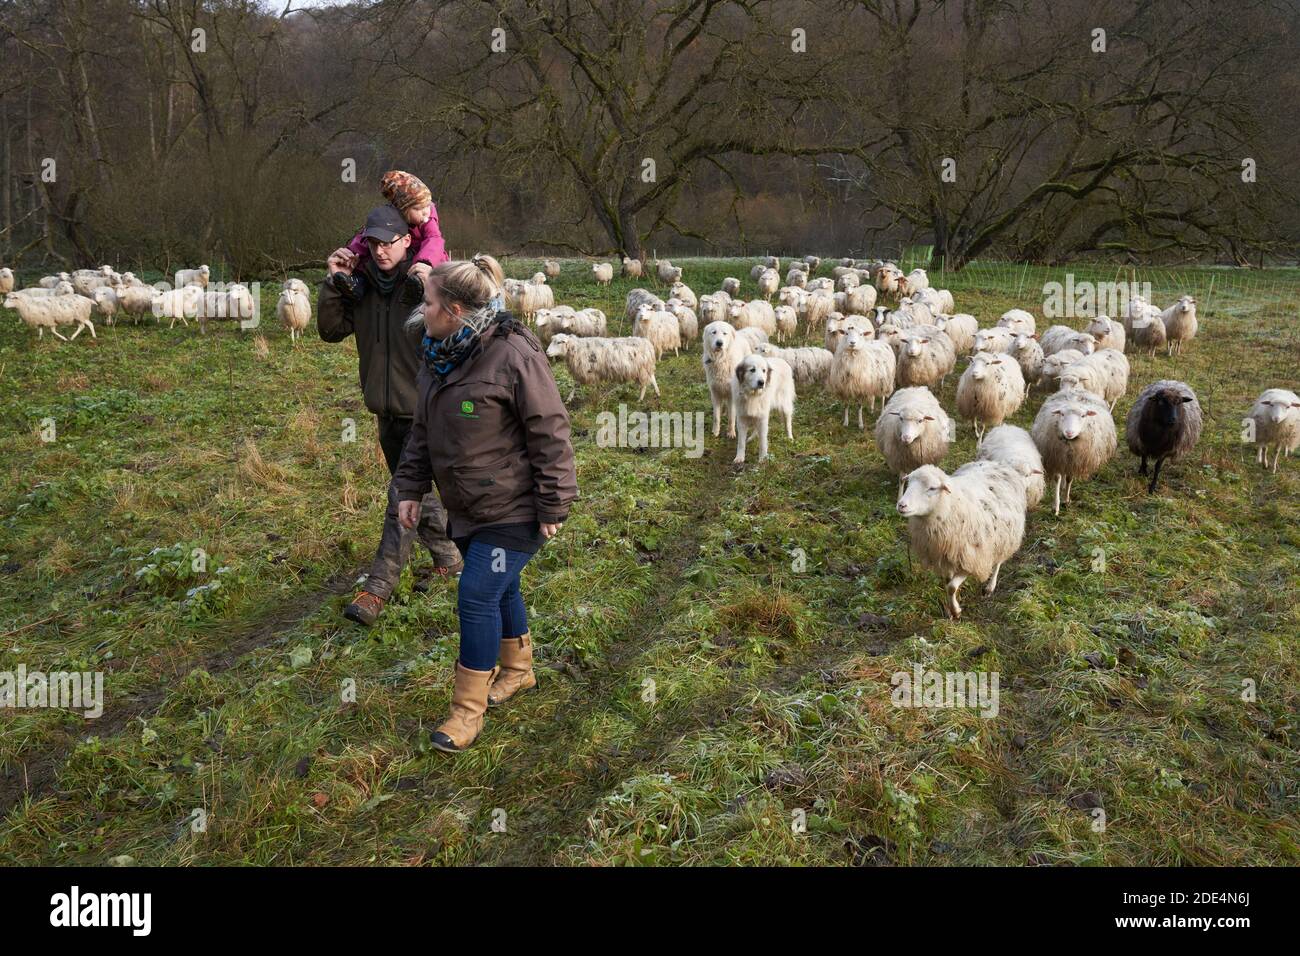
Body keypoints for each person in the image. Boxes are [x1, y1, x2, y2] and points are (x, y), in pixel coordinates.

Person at [393, 254, 577, 753]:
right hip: (468, 504)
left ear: (453, 308)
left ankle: (465, 712)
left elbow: (550, 430)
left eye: (427, 302)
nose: (421, 309)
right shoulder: (437, 352)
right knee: (499, 586)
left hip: (515, 507)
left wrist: (554, 503)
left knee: (476, 594)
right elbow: (423, 431)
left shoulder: (514, 353)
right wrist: (410, 488)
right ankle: (518, 671)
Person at [318, 205, 464, 626]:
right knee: (419, 492)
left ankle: (377, 588)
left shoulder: (423, 285)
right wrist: (333, 282)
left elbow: (459, 330)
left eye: (391, 242)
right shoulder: (358, 285)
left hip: (426, 412)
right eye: (375, 243)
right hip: (386, 412)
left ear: (406, 241)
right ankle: (450, 560)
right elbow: (329, 331)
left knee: (403, 494)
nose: (382, 251)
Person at [328, 170, 448, 303]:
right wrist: (352, 252)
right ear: (403, 209)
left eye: (428, 205)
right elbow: (364, 235)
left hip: (422, 256)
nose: (426, 211)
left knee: (438, 257)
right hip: (400, 252)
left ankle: (417, 286)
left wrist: (425, 262)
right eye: (419, 208)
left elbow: (434, 240)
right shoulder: (390, 215)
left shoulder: (428, 219)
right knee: (371, 247)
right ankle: (357, 284)